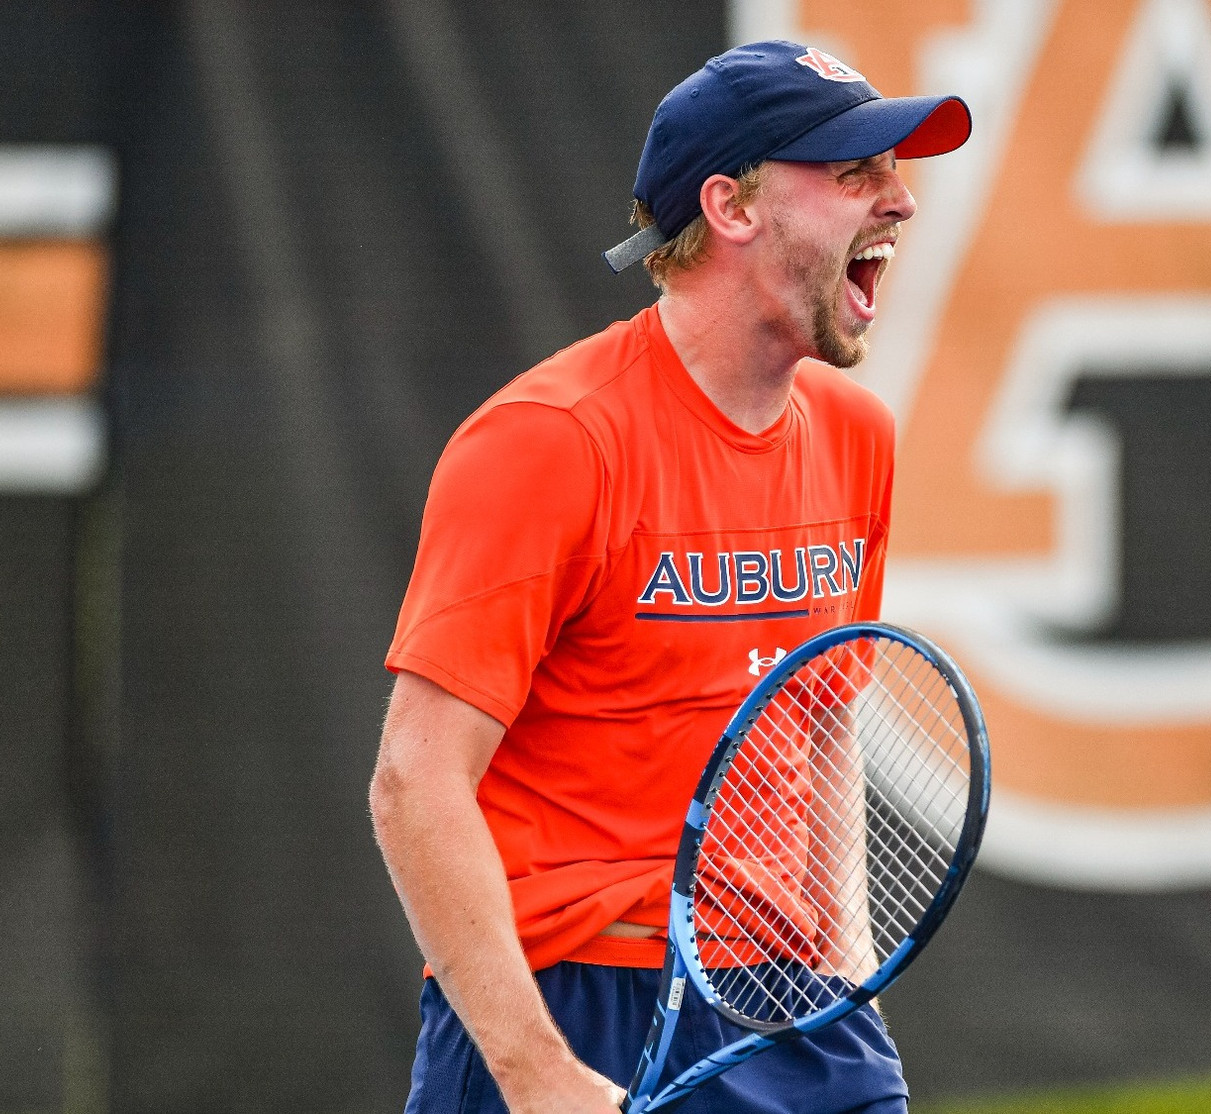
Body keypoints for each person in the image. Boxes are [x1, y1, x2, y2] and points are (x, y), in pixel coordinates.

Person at [371, 40, 971, 1114]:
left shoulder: (854, 435)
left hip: (796, 1008)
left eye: (895, 171)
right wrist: (536, 1070)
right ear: (730, 209)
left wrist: (847, 979)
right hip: (572, 1004)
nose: (900, 201)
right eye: (854, 174)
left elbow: (823, 719)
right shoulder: (548, 442)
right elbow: (415, 785)